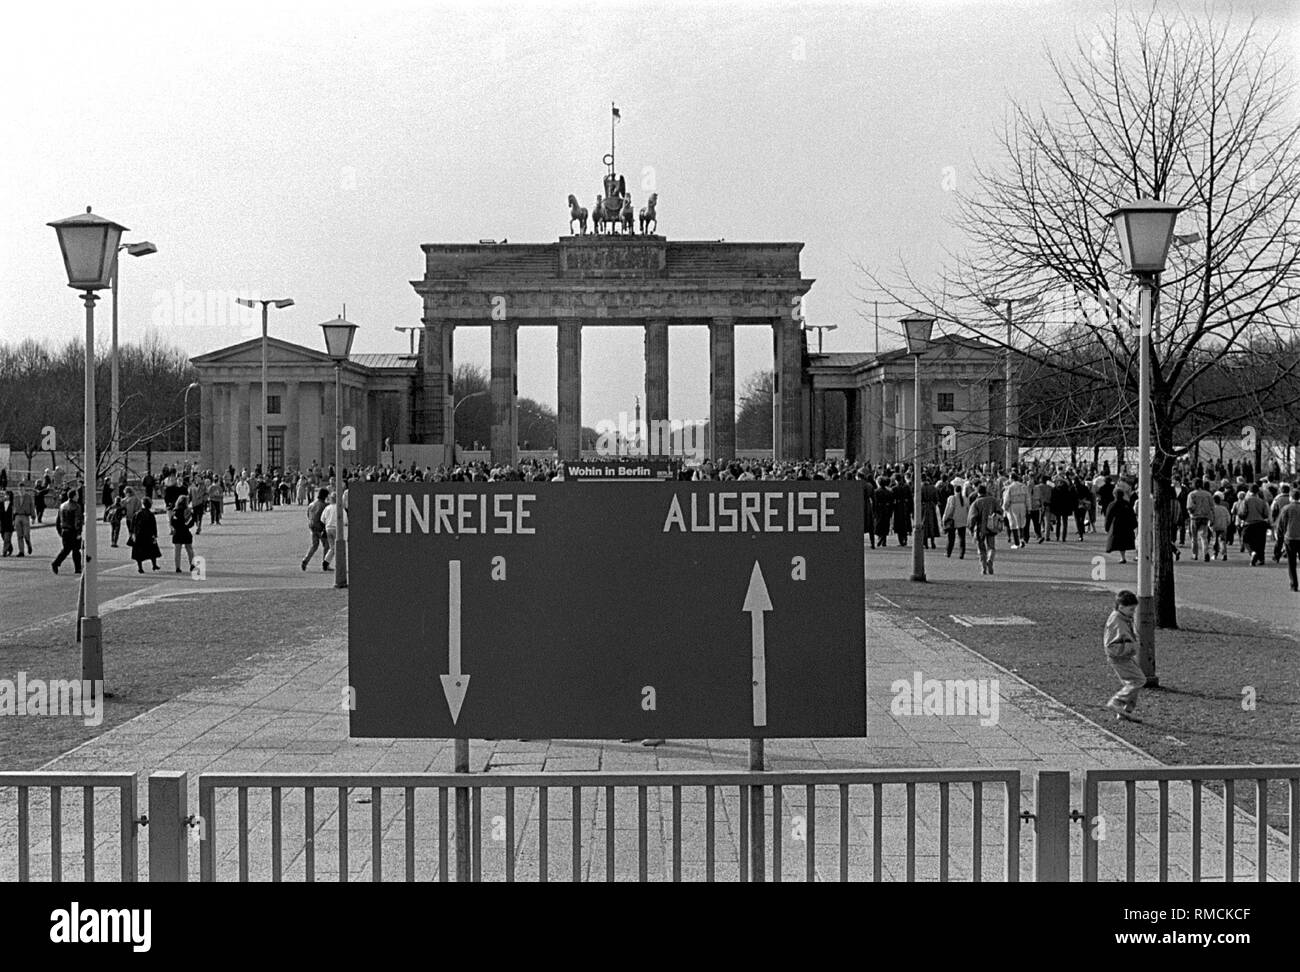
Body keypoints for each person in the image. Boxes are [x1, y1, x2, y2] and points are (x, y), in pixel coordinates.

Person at [1103, 590, 1144, 723]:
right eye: (1131, 610)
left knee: (1133, 683)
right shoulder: (1117, 621)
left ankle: (1125, 712)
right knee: (1138, 680)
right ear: (1121, 607)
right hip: (1119, 657)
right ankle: (1117, 702)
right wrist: (1130, 647)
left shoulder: (1122, 618)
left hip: (1123, 656)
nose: (1133, 613)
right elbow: (1111, 644)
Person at [967, 483, 1002, 576]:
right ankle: (990, 560)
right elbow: (1000, 511)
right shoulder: (993, 500)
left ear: (977, 492)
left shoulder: (976, 503)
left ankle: (983, 567)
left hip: (980, 528)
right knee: (991, 547)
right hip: (992, 527)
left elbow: (972, 517)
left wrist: (971, 528)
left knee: (981, 549)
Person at [50, 489, 84, 575]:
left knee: (66, 549)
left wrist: (60, 531)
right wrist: (79, 532)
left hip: (65, 531)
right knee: (76, 550)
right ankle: (77, 568)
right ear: (74, 496)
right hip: (73, 531)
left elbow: (58, 520)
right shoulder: (76, 506)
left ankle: (57, 563)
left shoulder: (62, 506)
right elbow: (78, 521)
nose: (78, 497)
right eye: (77, 495)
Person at [1275, 487, 1300, 592]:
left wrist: (1280, 537)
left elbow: (1280, 525)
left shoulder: (1286, 508)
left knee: (1292, 562)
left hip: (1290, 537)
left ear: (1291, 497)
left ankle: (1294, 585)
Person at [1240, 484, 1271, 566]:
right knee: (1260, 542)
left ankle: (1252, 552)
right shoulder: (1262, 501)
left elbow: (1242, 513)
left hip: (1249, 523)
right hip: (1260, 523)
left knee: (1246, 540)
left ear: (1249, 492)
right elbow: (1266, 514)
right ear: (1258, 492)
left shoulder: (1246, 501)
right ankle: (1261, 559)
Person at [302, 488, 332, 571]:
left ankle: (306, 560)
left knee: (314, 545)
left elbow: (308, 514)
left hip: (312, 526)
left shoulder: (311, 504)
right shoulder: (324, 505)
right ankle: (325, 563)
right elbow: (325, 518)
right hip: (320, 528)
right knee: (326, 545)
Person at [130, 497, 162, 573]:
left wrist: (132, 533)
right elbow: (154, 526)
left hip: (139, 535)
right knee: (152, 551)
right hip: (149, 535)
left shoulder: (137, 514)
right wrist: (155, 535)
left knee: (139, 553)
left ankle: (140, 568)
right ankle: (154, 565)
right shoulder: (150, 514)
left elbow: (133, 525)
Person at [1185, 479, 1214, 561]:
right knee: (1204, 537)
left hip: (1195, 517)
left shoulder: (1192, 494)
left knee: (1194, 538)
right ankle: (1206, 553)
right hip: (1205, 517)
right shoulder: (1208, 494)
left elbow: (1189, 507)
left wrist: (1191, 512)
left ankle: (1195, 554)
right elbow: (1212, 506)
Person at [1104, 491, 1137, 564]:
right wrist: (1134, 524)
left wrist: (1107, 527)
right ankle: (1123, 557)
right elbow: (1132, 515)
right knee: (1124, 542)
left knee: (1119, 542)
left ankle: (1123, 557)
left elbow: (1108, 517)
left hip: (1116, 525)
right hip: (1126, 525)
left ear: (1114, 495)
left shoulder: (1112, 504)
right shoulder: (1127, 504)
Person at [1001, 473, 1029, 548]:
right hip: (1022, 505)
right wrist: (1028, 508)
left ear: (1011, 478)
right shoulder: (1023, 486)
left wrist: (1004, 508)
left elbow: (1007, 499)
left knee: (1013, 524)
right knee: (1021, 523)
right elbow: (1028, 498)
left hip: (1013, 505)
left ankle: (1016, 543)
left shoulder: (1010, 487)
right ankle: (1021, 539)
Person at [941, 484, 969, 559]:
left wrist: (944, 519)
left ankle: (948, 552)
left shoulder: (951, 498)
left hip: (953, 521)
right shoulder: (965, 499)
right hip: (963, 520)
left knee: (951, 538)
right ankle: (961, 554)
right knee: (962, 538)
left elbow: (948, 510)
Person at [11, 480, 34, 556]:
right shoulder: (16, 497)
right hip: (17, 516)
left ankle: (29, 544)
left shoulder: (28, 497)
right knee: (19, 535)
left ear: (24, 489)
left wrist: (33, 517)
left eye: (22, 488)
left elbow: (32, 507)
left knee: (26, 534)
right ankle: (21, 551)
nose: (21, 490)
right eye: (19, 489)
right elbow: (13, 508)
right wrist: (13, 519)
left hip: (25, 516)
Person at [0, 489, 13, 556]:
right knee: (3, 537)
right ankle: (10, 548)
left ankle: (4, 552)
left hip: (9, 524)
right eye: (6, 495)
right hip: (2, 524)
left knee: (6, 538)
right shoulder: (1, 504)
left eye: (8, 495)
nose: (6, 496)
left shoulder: (12, 504)